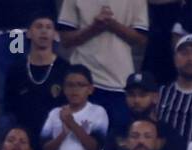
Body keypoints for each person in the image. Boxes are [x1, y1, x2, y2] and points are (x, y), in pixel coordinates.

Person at [57, 0, 149, 130]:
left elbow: (141, 39)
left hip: (119, 83)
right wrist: (94, 27)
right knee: (77, 141)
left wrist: (112, 24)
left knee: (116, 142)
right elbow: (65, 39)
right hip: (83, 83)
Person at [3, 13, 70, 140]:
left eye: (48, 27)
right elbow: (9, 107)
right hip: (23, 137)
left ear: (55, 35)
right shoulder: (16, 70)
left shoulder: (65, 69)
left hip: (56, 137)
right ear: (28, 33)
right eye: (39, 27)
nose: (44, 31)